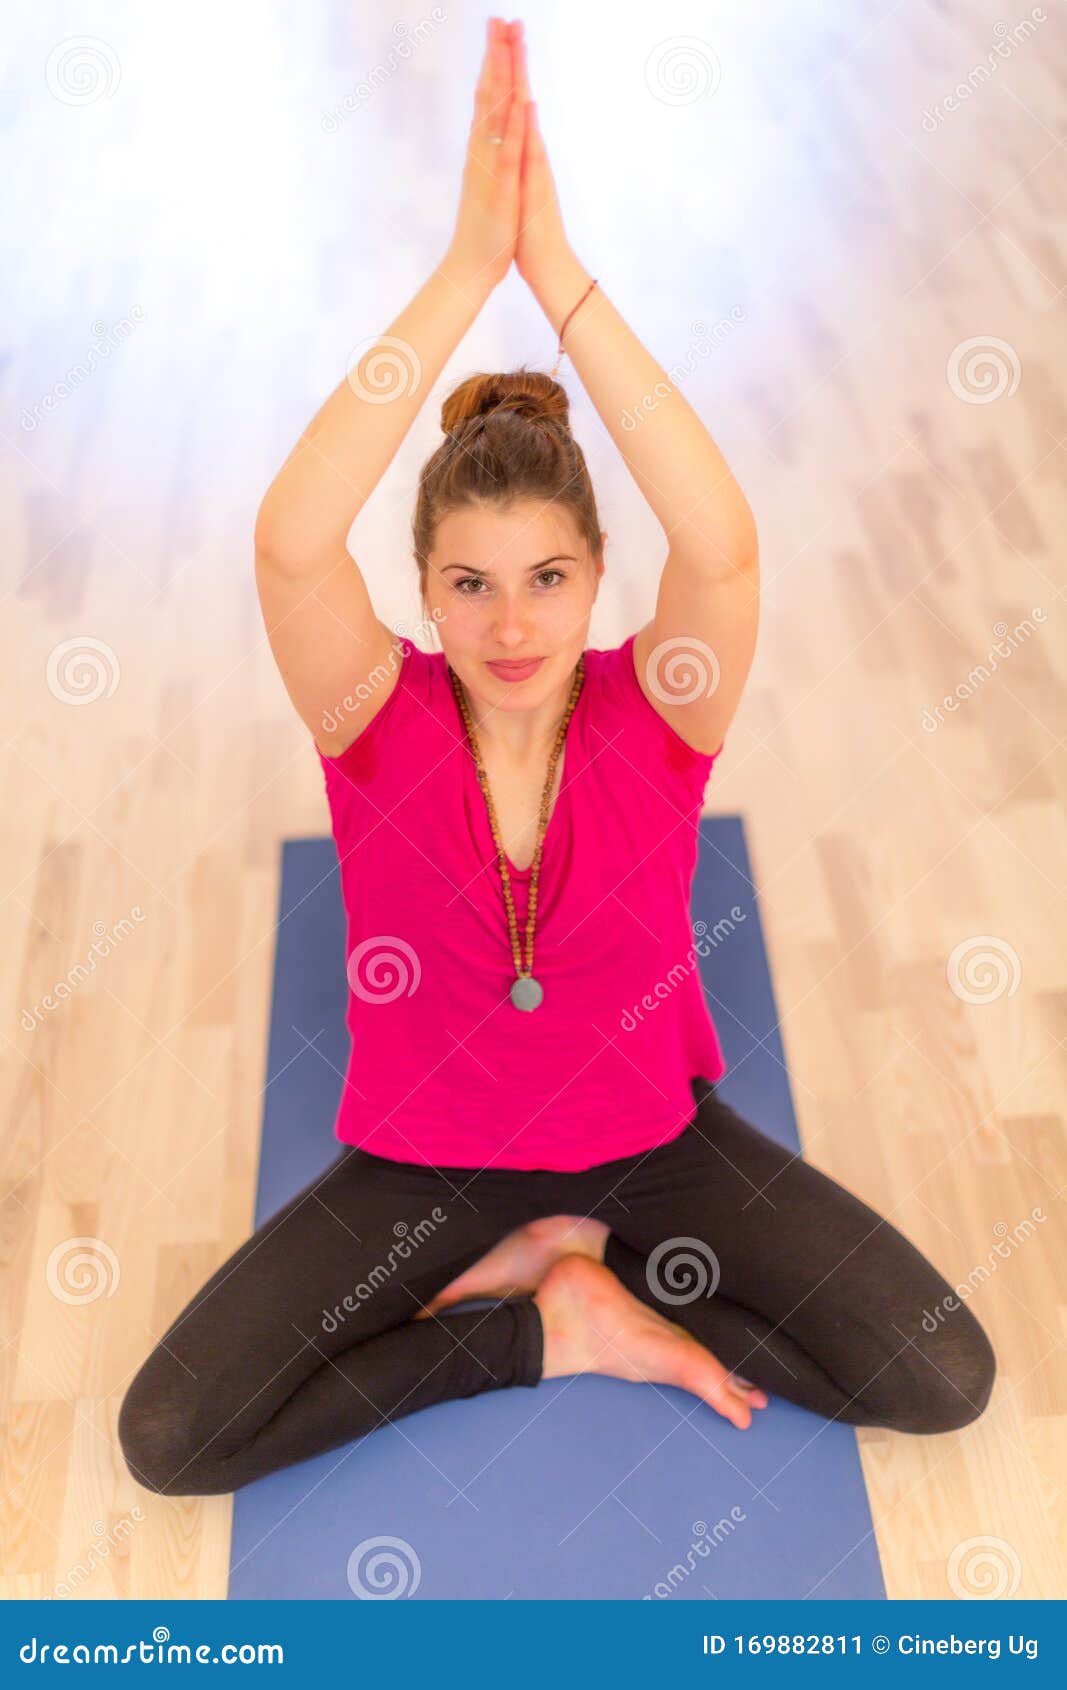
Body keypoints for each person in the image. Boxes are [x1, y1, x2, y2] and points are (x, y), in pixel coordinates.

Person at [117, 18, 995, 1497]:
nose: (510, 621)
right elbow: (287, 538)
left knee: (941, 1373)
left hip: (648, 1148)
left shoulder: (662, 712)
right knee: (171, 1437)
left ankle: (601, 1252)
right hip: (428, 1170)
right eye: (468, 582)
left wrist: (559, 278)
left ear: (597, 579)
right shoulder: (371, 720)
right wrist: (468, 269)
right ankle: (557, 1316)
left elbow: (721, 540)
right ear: (421, 592)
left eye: (546, 578)